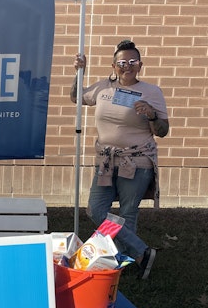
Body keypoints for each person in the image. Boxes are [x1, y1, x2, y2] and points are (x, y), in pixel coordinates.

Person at [71, 39, 169, 279]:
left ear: (140, 65)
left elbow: (163, 130)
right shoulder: (103, 88)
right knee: (96, 210)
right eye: (122, 62)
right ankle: (142, 252)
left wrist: (152, 114)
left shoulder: (151, 92)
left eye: (132, 62)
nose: (127, 66)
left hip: (137, 162)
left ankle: (121, 263)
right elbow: (77, 97)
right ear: (113, 65)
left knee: (127, 213)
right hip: (106, 161)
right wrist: (78, 72)